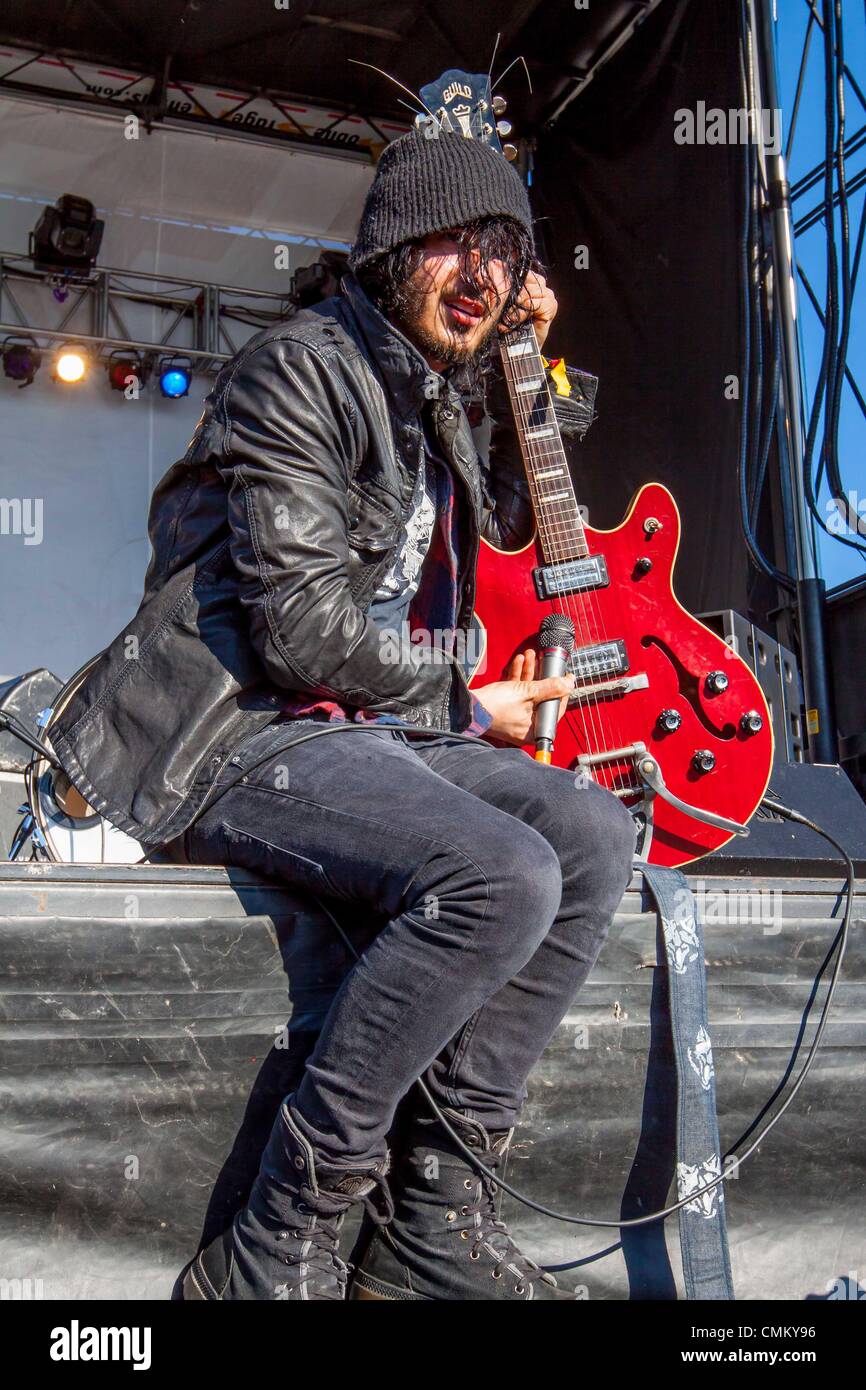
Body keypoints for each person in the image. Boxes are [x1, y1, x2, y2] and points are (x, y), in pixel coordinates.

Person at [51, 125, 636, 1301]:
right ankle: (280, 1234)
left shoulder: (430, 402)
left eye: (501, 252)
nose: (477, 275)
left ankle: (433, 1207)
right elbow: (297, 629)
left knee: (590, 834)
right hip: (233, 733)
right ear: (388, 249)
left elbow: (528, 500)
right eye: (451, 246)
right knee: (501, 875)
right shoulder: (299, 368)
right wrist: (468, 699)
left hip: (357, 732)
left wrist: (536, 358)